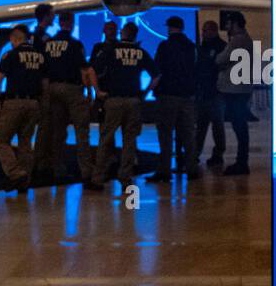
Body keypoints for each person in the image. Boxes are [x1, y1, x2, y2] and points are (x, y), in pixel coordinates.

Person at [88, 20, 155, 190]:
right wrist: (145, 94)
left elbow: (92, 70)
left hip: (113, 99)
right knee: (130, 140)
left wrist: (98, 91)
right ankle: (125, 177)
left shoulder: (112, 50)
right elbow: (156, 75)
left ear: (123, 33)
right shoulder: (140, 52)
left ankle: (98, 177)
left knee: (106, 138)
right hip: (133, 100)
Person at [37, 10, 93, 181]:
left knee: (57, 132)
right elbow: (84, 70)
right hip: (72, 89)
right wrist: (89, 91)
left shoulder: (48, 43)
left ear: (60, 22)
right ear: (71, 23)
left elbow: (43, 69)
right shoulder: (75, 44)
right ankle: (86, 171)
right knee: (81, 130)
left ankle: (57, 168)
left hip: (52, 88)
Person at [0, 24, 45, 193]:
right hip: (34, 104)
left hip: (14, 102)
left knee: (1, 139)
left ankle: (15, 174)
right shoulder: (39, 56)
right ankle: (24, 183)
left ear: (14, 39)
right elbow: (44, 83)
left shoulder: (10, 55)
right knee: (25, 142)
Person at [151, 16, 201, 182]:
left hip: (167, 95)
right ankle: (192, 168)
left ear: (170, 27)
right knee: (188, 134)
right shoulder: (191, 46)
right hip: (187, 95)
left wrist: (149, 90)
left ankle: (164, 170)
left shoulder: (165, 46)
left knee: (165, 134)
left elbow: (158, 71)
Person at [216, 11, 254, 175]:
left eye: (229, 24)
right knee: (240, 126)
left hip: (235, 90)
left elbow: (220, 60)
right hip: (240, 89)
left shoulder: (238, 41)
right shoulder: (245, 40)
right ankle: (241, 161)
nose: (227, 27)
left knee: (239, 126)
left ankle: (242, 162)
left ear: (236, 24)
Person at [194, 19, 227, 169]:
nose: (203, 33)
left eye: (205, 30)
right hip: (203, 92)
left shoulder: (222, 48)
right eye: (202, 30)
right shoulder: (202, 47)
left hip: (216, 93)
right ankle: (195, 153)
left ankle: (218, 154)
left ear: (213, 31)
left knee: (217, 126)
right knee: (201, 126)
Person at [30, 3, 56, 175]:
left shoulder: (33, 36)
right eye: (52, 14)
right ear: (46, 16)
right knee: (45, 124)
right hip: (43, 84)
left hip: (36, 84)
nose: (54, 17)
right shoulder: (43, 37)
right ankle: (39, 163)